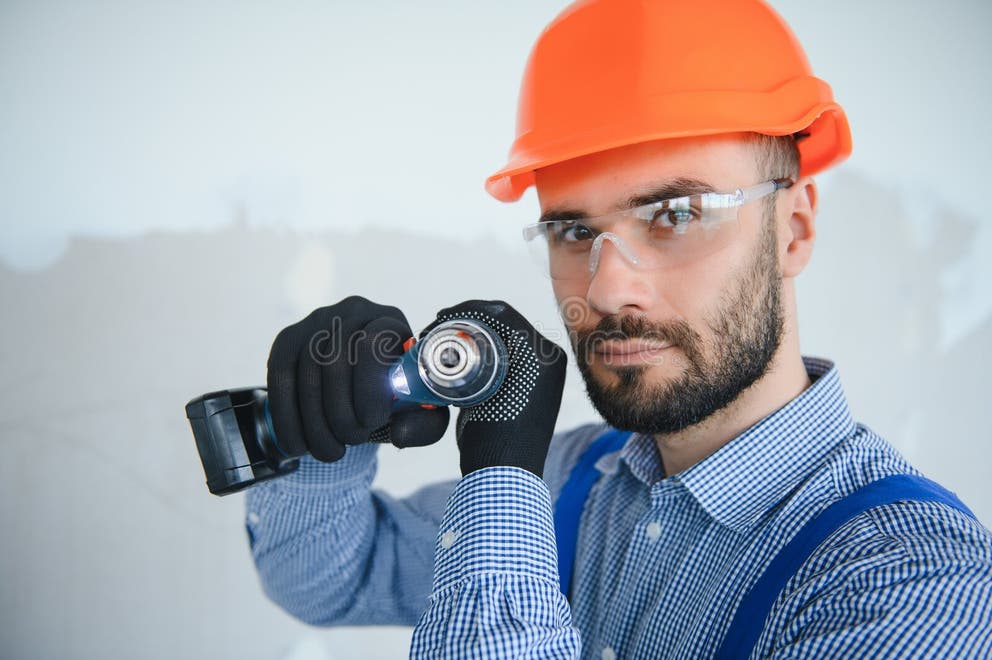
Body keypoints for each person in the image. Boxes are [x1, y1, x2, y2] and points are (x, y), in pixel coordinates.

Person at [246, 0, 992, 657]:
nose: (605, 288)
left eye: (676, 215)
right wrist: (325, 440)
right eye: (572, 230)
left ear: (793, 230)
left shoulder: (908, 582)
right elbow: (332, 580)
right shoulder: (577, 478)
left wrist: (500, 473)